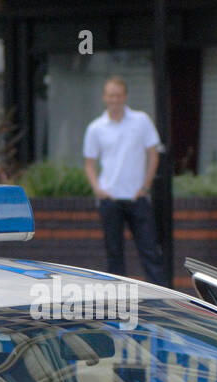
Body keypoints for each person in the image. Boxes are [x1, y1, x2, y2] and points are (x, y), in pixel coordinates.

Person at [83, 76, 167, 285]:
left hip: (137, 198)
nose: (115, 99)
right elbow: (90, 163)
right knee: (114, 255)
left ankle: (162, 301)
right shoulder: (96, 128)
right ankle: (118, 302)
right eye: (111, 95)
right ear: (105, 97)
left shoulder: (141, 121)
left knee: (150, 252)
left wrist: (146, 186)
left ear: (125, 97)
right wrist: (98, 189)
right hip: (110, 200)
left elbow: (153, 154)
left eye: (118, 95)